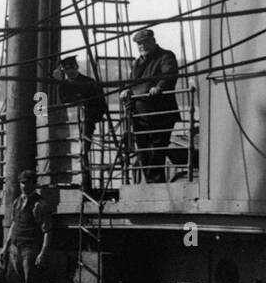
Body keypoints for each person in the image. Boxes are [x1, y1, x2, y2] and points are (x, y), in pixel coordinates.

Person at [120, 29, 180, 183]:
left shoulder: (165, 56)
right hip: (140, 115)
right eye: (139, 44)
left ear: (153, 41)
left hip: (160, 114)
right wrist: (127, 89)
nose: (142, 46)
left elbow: (169, 75)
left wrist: (159, 87)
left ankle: (156, 184)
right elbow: (132, 81)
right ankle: (150, 183)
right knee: (144, 151)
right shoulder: (138, 62)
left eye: (145, 43)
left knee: (156, 151)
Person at [58, 55, 110, 191]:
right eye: (66, 69)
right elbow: (61, 103)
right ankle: (67, 182)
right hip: (66, 126)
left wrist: (88, 112)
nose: (70, 72)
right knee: (65, 154)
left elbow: (101, 106)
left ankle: (84, 185)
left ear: (77, 67)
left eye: (72, 68)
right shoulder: (62, 85)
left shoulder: (89, 83)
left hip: (85, 124)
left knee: (81, 154)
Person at [3, 169, 52, 283]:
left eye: (28, 183)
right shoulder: (17, 202)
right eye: (22, 183)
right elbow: (13, 224)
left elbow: (47, 231)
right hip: (15, 248)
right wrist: (5, 247)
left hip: (30, 249)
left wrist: (43, 253)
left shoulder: (39, 204)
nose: (24, 186)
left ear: (34, 185)